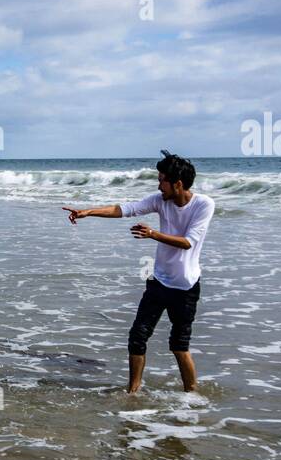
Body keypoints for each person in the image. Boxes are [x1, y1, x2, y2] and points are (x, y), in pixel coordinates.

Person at [63, 151, 214, 394]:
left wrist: (153, 234)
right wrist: (88, 212)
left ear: (177, 183)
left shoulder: (204, 204)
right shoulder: (160, 200)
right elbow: (125, 209)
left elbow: (189, 242)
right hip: (159, 282)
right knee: (137, 337)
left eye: (162, 179)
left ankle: (192, 395)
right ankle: (133, 391)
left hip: (186, 287)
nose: (158, 185)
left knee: (179, 345)